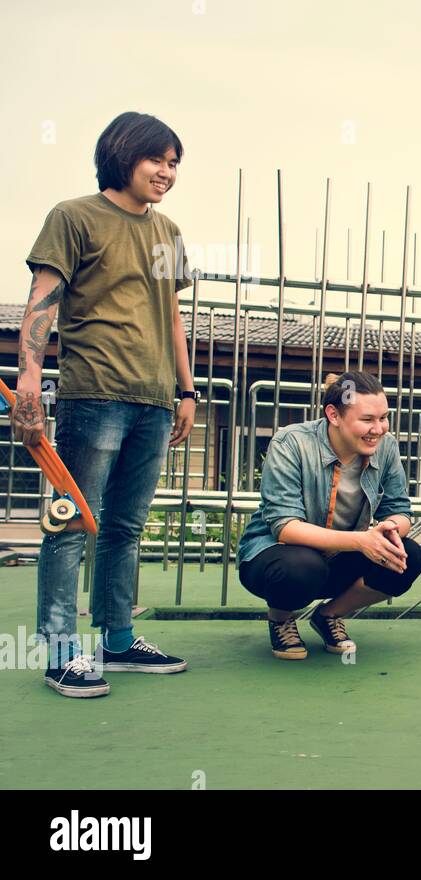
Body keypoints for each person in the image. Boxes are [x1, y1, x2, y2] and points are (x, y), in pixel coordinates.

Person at [18, 112, 196, 698]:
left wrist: (186, 389)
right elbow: (43, 299)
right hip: (91, 394)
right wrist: (27, 381)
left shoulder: (167, 232)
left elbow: (171, 313)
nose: (166, 172)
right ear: (124, 154)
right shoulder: (73, 217)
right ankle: (60, 652)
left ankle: (116, 640)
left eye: (174, 164)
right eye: (157, 160)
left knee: (125, 526)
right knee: (70, 523)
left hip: (153, 399)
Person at [237, 371, 421, 660]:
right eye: (367, 420)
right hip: (278, 558)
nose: (379, 429)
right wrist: (362, 541)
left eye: (383, 418)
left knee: (408, 556)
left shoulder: (385, 447)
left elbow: (400, 509)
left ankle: (329, 615)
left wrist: (388, 529)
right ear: (334, 415)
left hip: (339, 557)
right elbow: (285, 527)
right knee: (302, 566)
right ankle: (280, 619)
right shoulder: (290, 443)